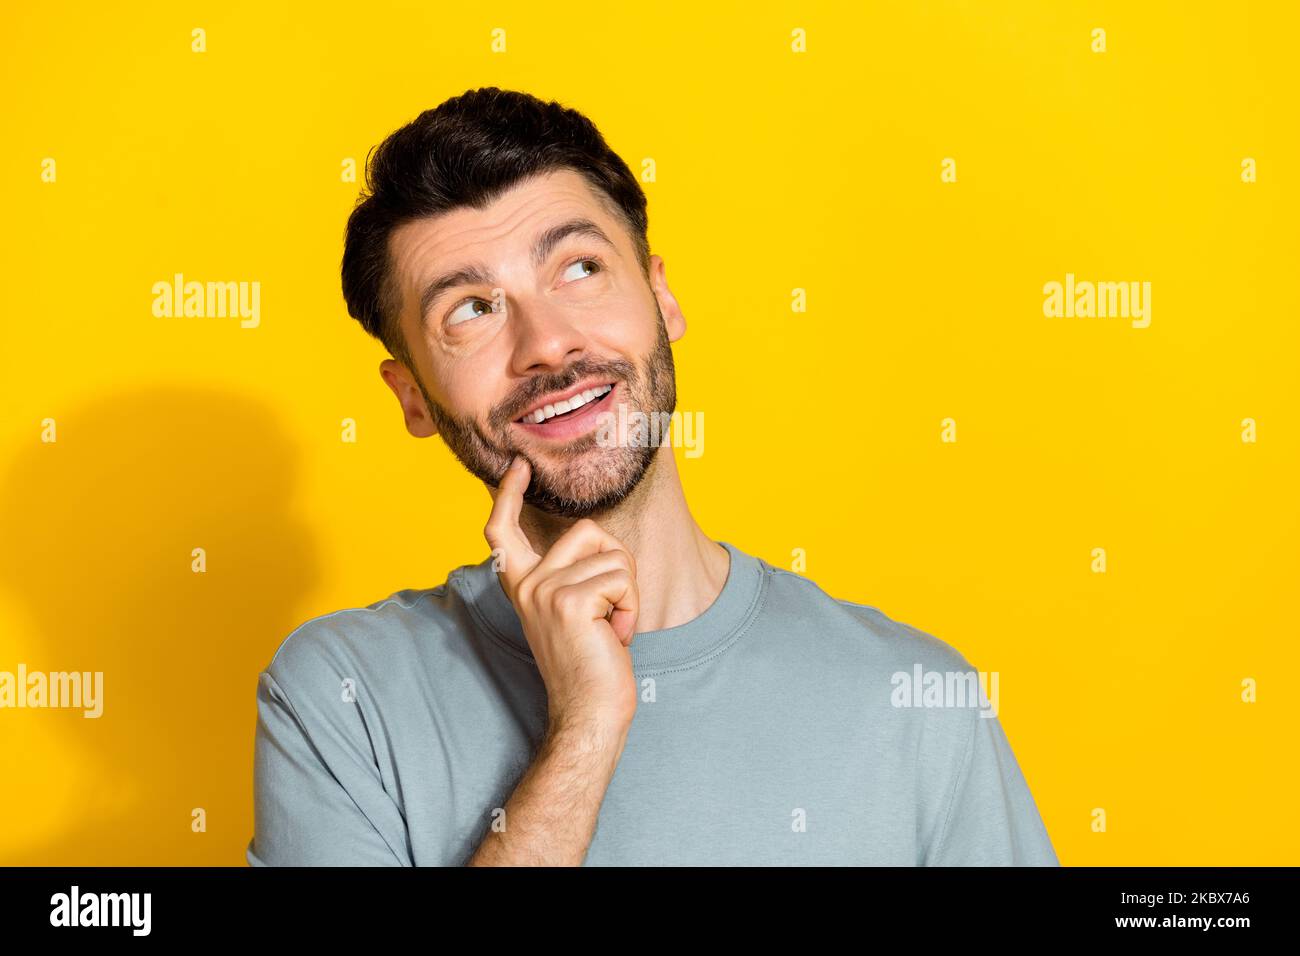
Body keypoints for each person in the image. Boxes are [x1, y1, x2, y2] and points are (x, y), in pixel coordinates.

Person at [246, 87, 1058, 866]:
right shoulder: (341, 699)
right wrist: (586, 728)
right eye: (470, 309)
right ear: (414, 396)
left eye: (579, 269)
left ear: (662, 298)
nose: (548, 344)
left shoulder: (915, 702)